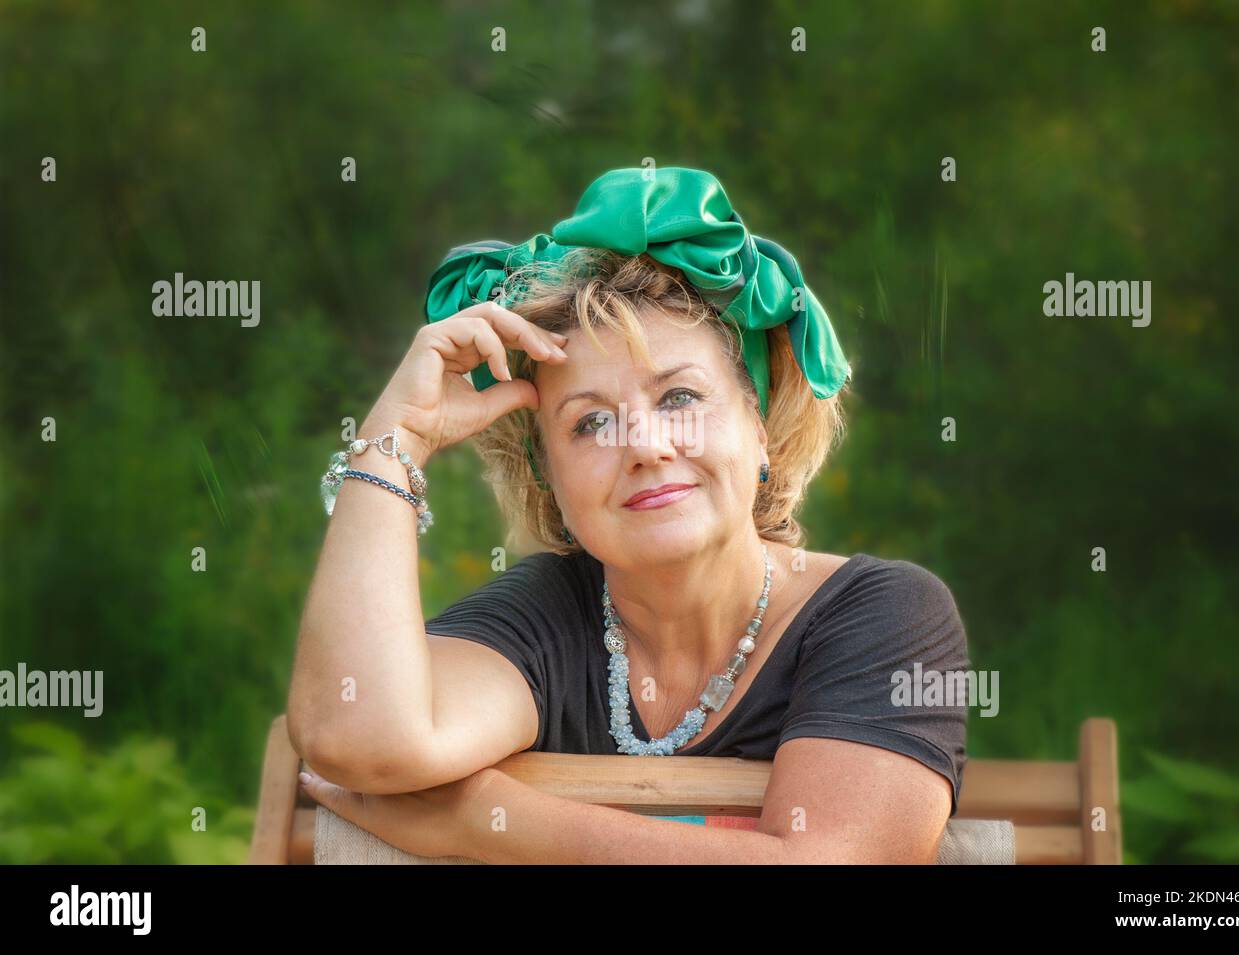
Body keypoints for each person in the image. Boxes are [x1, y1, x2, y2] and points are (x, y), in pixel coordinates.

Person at [287, 167, 971, 863]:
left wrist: (487, 820)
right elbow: (357, 734)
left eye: (679, 398)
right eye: (589, 423)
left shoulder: (885, 613)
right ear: (547, 476)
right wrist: (394, 442)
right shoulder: (544, 615)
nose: (643, 446)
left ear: (758, 426)